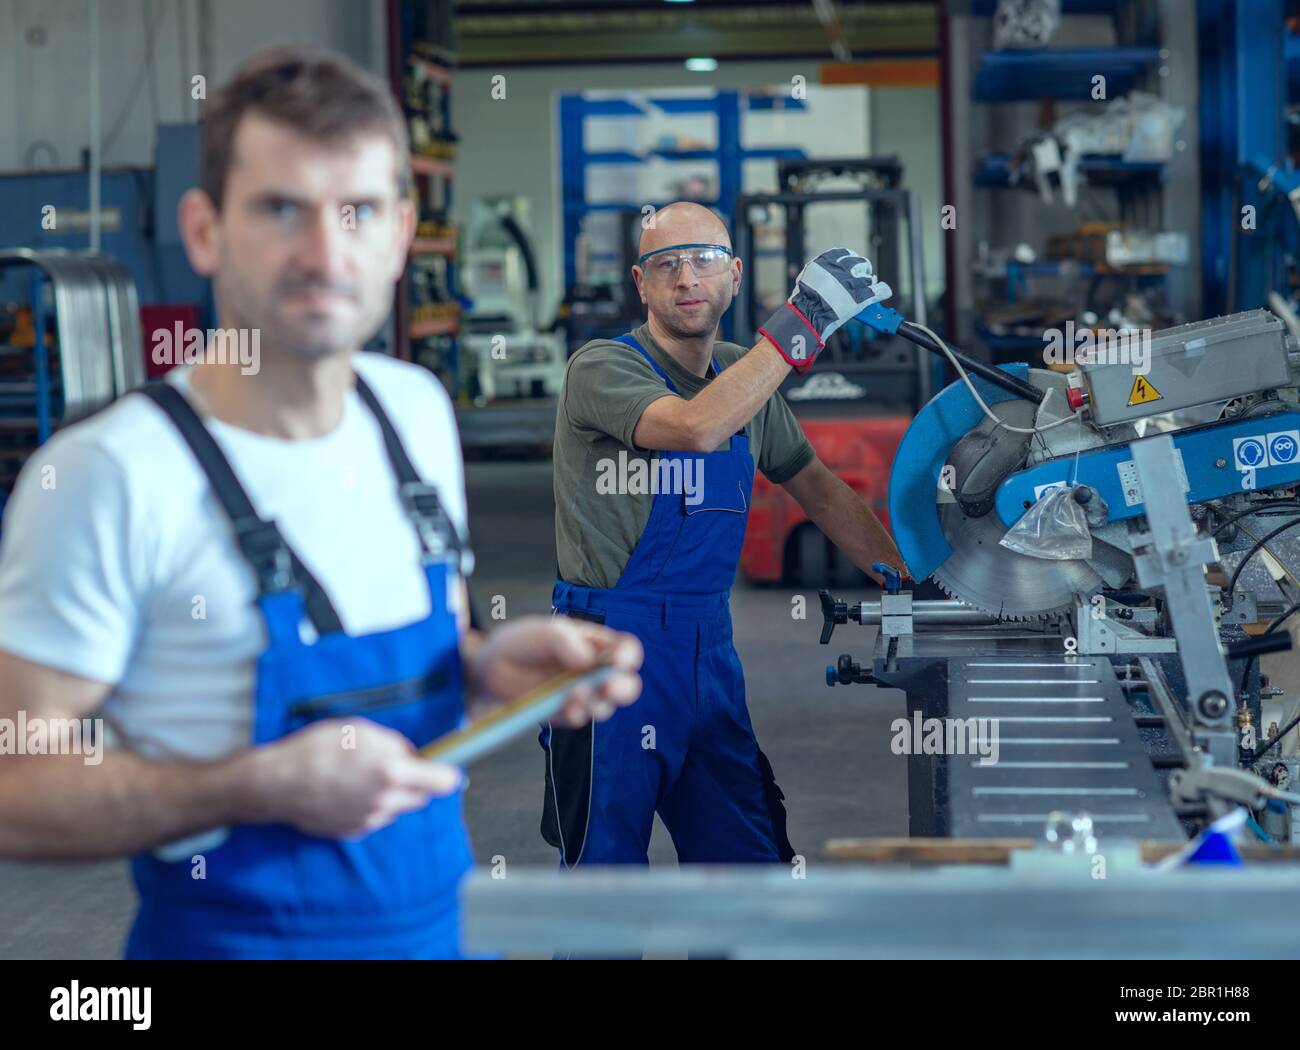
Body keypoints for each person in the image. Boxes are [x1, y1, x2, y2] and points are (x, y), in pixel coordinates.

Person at [0, 47, 640, 960]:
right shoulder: (111, 476)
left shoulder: (411, 414)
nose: (324, 252)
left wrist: (490, 666)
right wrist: (253, 785)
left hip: (442, 935)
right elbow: (12, 792)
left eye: (359, 212)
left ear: (400, 232)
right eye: (280, 209)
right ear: (204, 229)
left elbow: (418, 656)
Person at [541, 202, 906, 868]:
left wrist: (909, 582)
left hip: (708, 651)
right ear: (641, 284)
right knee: (603, 886)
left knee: (746, 870)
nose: (686, 277)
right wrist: (804, 324)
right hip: (607, 655)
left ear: (735, 275)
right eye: (666, 263)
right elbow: (693, 427)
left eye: (704, 259)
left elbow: (819, 491)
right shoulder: (600, 368)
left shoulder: (745, 375)